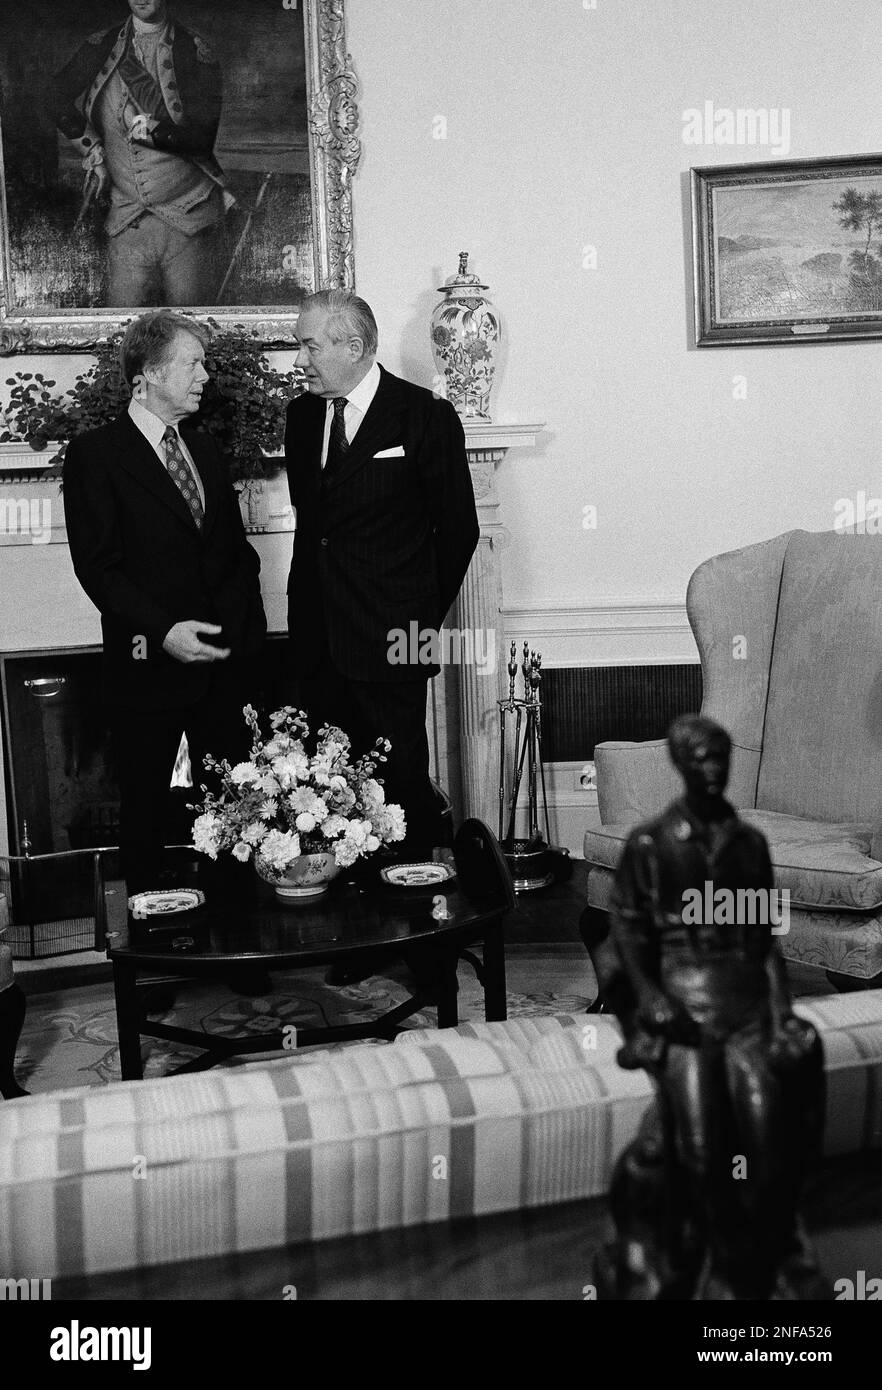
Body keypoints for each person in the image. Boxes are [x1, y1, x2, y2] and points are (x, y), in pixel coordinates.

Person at [596, 714, 827, 1300]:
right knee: (701, 1149)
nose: (712, 768)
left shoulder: (749, 845)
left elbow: (765, 943)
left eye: (720, 757)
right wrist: (650, 998)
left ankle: (754, 1262)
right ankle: (722, 1264)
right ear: (679, 763)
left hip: (745, 1005)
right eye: (699, 758)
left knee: (767, 1138)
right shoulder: (650, 844)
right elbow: (623, 933)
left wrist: (784, 1015)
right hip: (683, 1006)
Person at [63, 311, 266, 896]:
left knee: (233, 814)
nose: (205, 374)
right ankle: (150, 968)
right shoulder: (96, 455)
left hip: (222, 670)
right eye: (192, 362)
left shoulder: (202, 448)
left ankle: (239, 948)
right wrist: (164, 631)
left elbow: (233, 554)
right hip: (146, 668)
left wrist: (236, 636)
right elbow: (98, 568)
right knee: (147, 820)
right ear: (149, 373)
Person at [285, 289, 480, 858]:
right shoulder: (300, 418)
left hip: (395, 640)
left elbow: (459, 532)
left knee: (398, 795)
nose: (300, 360)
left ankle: (419, 923)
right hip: (318, 643)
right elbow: (312, 532)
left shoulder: (425, 416)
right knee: (324, 800)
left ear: (354, 344)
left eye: (309, 345)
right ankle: (351, 931)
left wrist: (415, 619)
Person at [51, 0, 231, 306]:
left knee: (192, 323)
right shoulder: (102, 44)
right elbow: (52, 97)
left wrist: (150, 130)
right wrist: (91, 147)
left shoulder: (195, 51)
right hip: (125, 213)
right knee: (121, 327)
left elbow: (202, 139)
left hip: (188, 212)